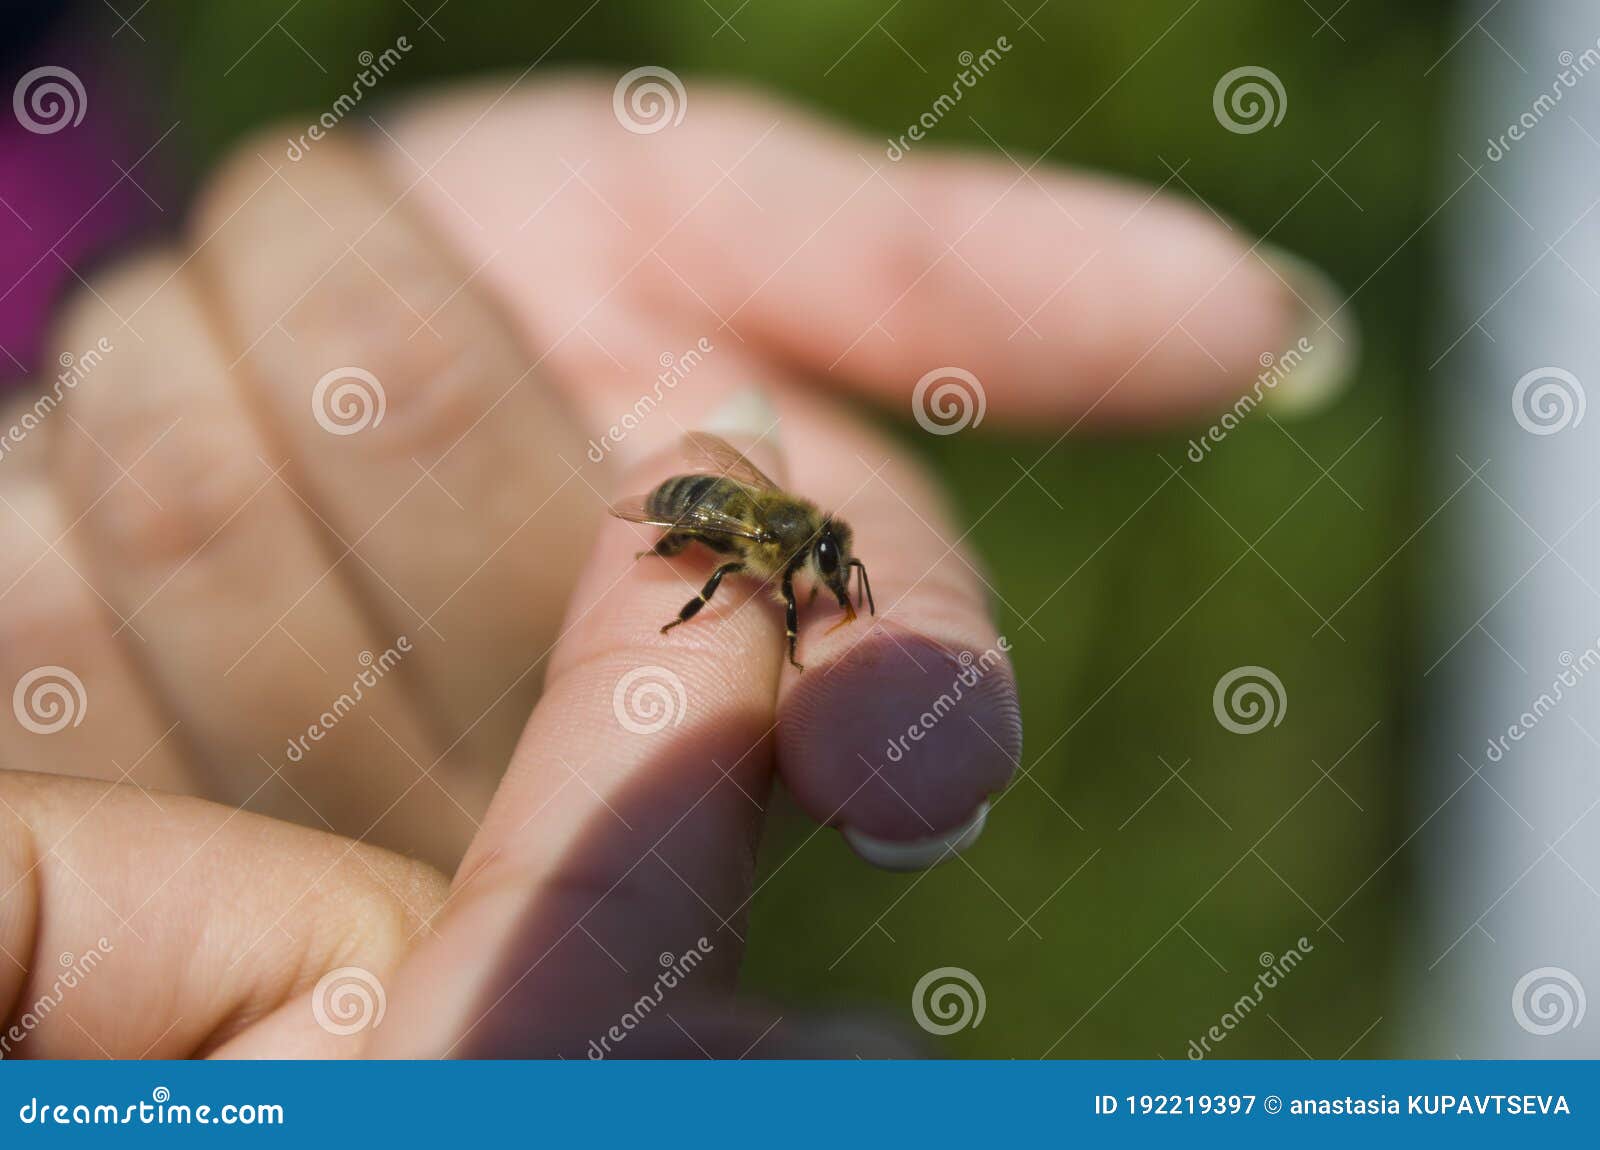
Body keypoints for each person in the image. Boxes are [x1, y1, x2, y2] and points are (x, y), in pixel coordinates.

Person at [0, 75, 1350, 1057]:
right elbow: (725, 542)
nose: (828, 575)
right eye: (828, 565)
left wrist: (230, 385)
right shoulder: (758, 543)